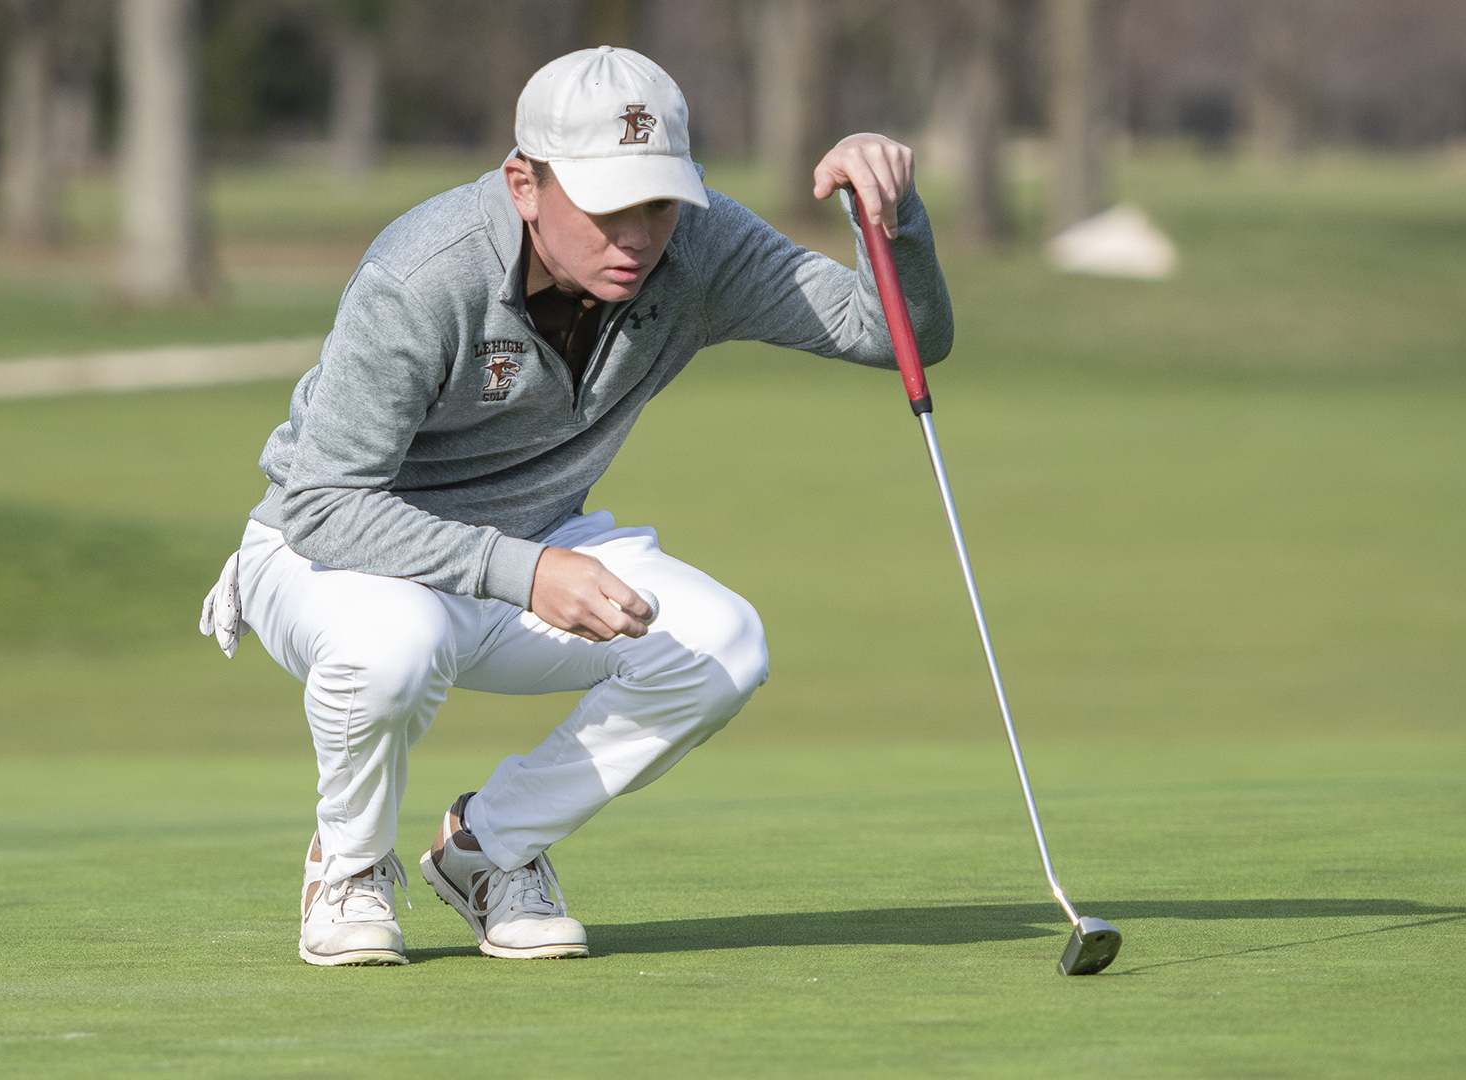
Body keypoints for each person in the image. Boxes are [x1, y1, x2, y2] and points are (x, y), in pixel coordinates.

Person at [199, 46, 952, 966]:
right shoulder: (424, 272)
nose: (637, 237)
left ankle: (488, 851)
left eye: (659, 203)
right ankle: (349, 870)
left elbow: (896, 336)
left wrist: (893, 218)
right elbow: (323, 503)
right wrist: (525, 571)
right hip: (334, 558)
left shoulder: (699, 246)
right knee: (393, 644)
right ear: (525, 184)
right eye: (606, 208)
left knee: (722, 645)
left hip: (532, 548)